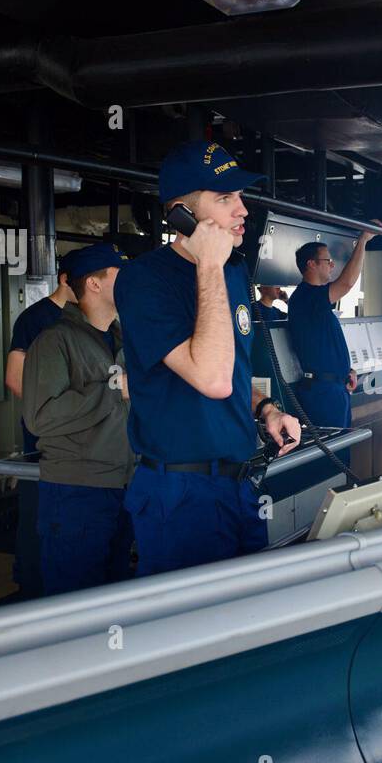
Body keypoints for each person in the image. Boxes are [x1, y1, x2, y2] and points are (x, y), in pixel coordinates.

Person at [115, 140, 301, 576]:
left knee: (246, 620)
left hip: (238, 484)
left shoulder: (233, 272)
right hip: (180, 492)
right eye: (224, 198)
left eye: (240, 196)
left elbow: (232, 374)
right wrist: (209, 268)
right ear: (182, 213)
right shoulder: (145, 281)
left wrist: (266, 409)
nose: (242, 210)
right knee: (192, 632)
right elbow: (211, 379)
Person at [22, 242, 135, 595]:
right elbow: (41, 417)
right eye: (120, 274)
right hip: (76, 494)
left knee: (113, 597)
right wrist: (114, 390)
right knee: (74, 601)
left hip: (124, 487)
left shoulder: (122, 338)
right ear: (95, 284)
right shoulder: (54, 340)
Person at [4, 261, 77, 600]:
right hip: (44, 435)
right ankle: (31, 584)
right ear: (66, 279)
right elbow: (15, 377)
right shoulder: (35, 319)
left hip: (82, 440)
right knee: (38, 505)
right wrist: (50, 414)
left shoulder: (88, 319)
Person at [287, 221, 378, 431]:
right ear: (311, 264)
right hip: (322, 392)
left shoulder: (318, 303)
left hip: (335, 388)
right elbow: (346, 283)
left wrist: (348, 370)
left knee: (341, 450)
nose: (332, 265)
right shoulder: (305, 298)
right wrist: (363, 239)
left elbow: (324, 347)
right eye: (328, 260)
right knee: (331, 454)